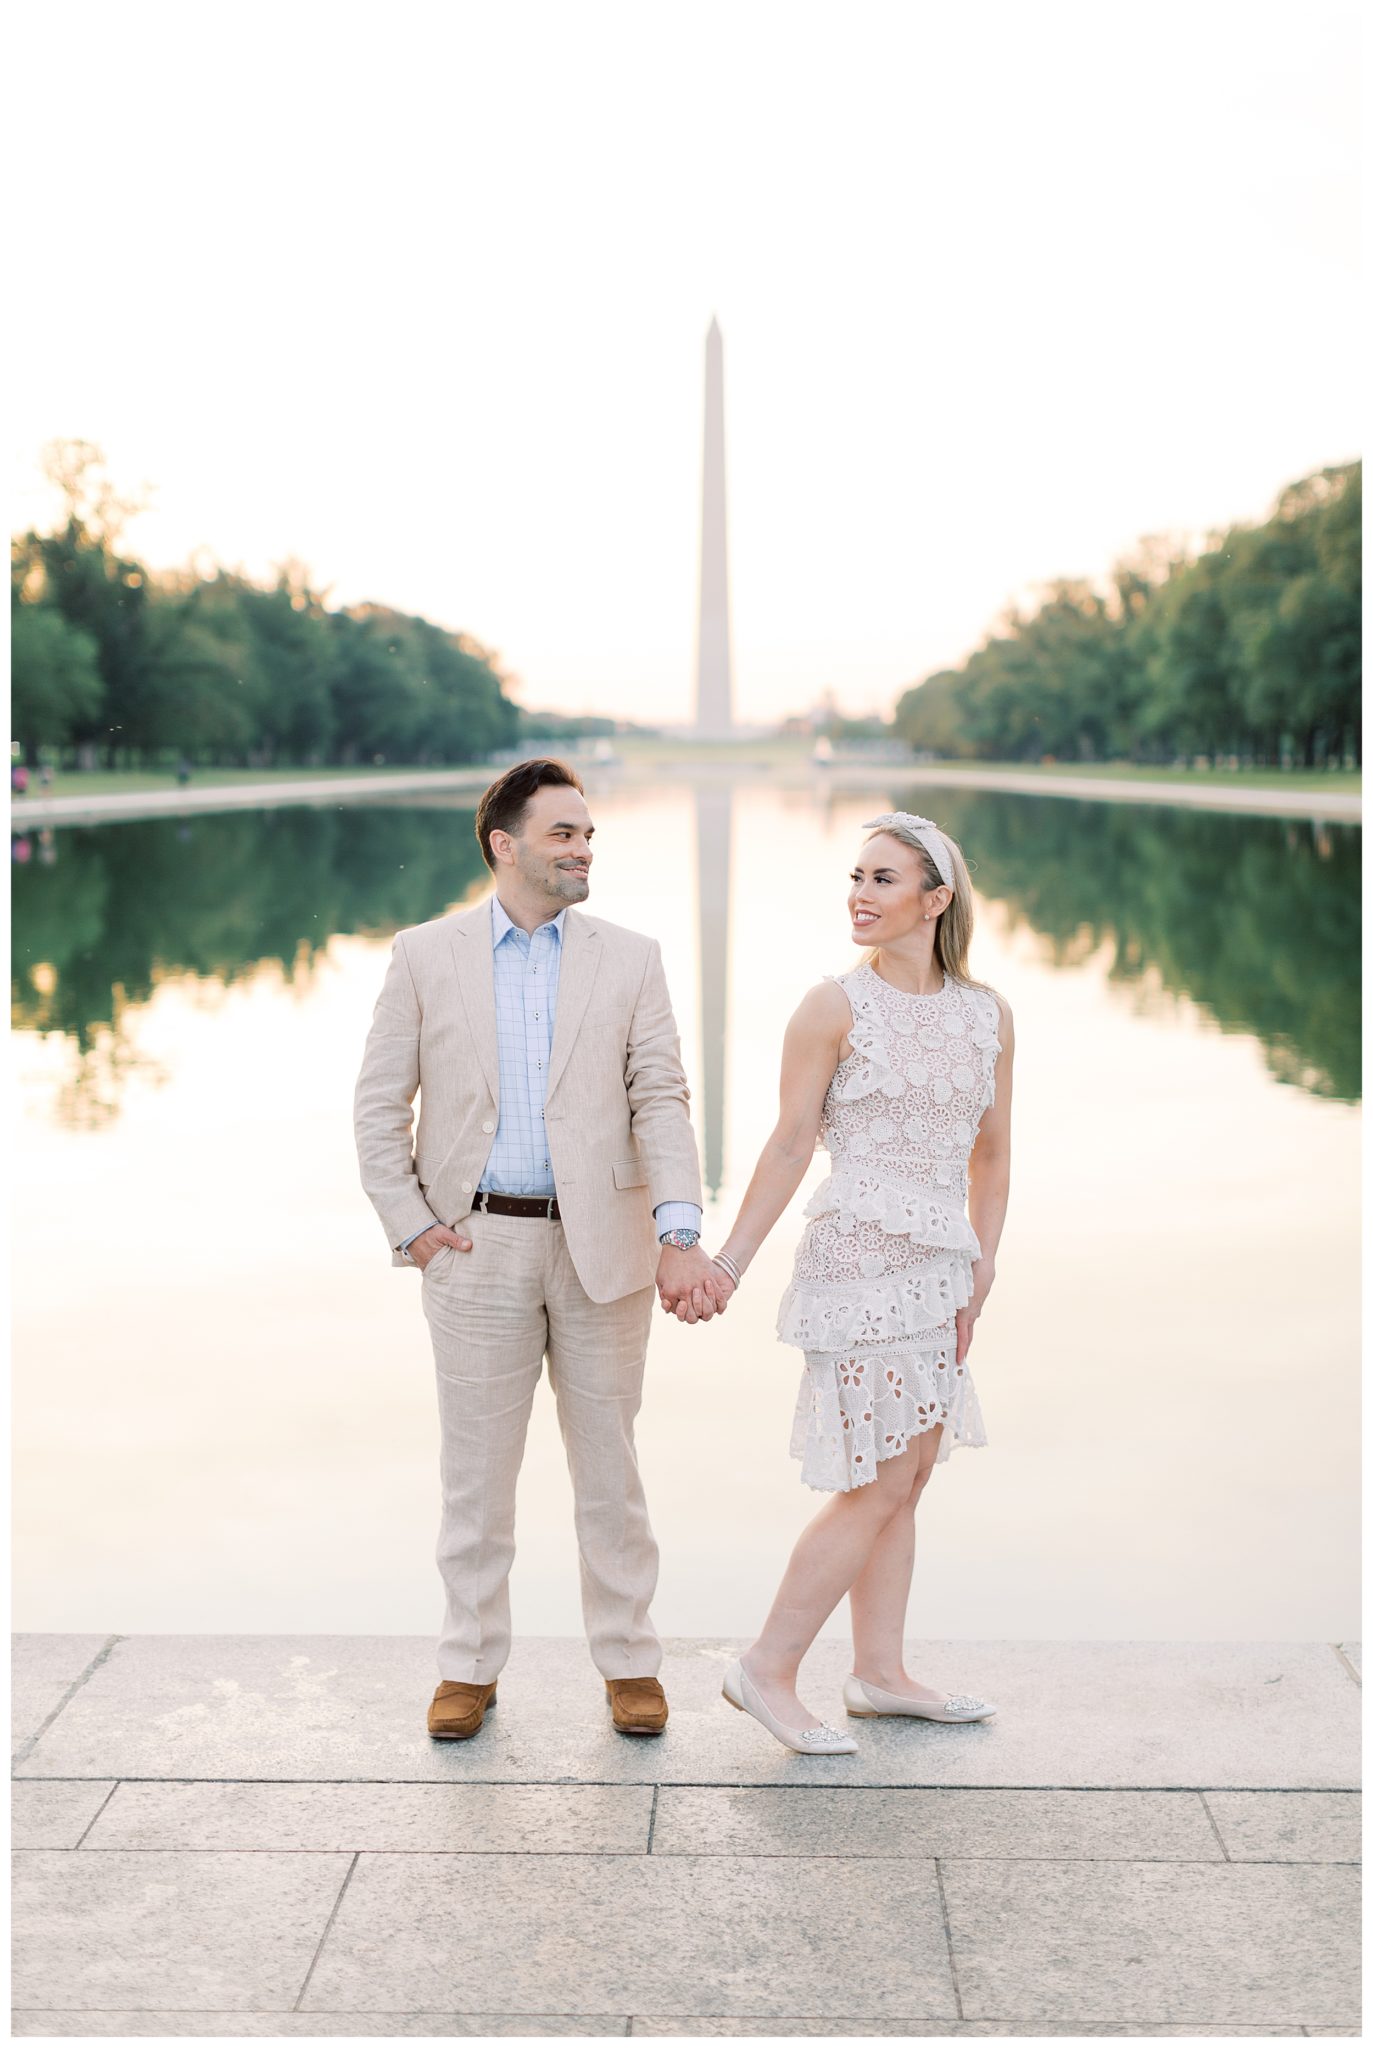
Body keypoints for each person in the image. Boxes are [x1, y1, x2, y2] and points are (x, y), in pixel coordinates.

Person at [353, 758, 730, 1742]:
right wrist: (415, 1227)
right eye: (563, 832)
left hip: (605, 1249)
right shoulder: (424, 954)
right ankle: (467, 1666)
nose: (582, 848)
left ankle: (629, 1665)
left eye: (588, 833)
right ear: (503, 844)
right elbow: (377, 1103)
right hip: (473, 1247)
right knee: (475, 1476)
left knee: (611, 1472)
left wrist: (678, 1230)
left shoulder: (630, 955)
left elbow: (662, 1097)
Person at [698, 811, 1014, 1754]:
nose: (859, 896)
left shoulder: (985, 1012)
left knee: (911, 1473)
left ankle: (879, 1675)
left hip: (938, 1264)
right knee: (875, 1480)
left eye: (882, 879)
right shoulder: (831, 1006)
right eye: (855, 877)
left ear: (936, 898)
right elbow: (791, 1142)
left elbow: (992, 1154)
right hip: (857, 1259)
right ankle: (763, 1669)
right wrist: (728, 1263)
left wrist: (981, 1263)